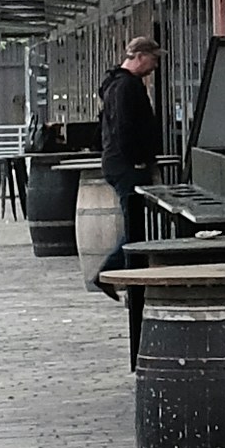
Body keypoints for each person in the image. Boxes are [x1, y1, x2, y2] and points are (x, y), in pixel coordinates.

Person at [95, 28, 162, 268]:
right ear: (140, 56)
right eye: (153, 59)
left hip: (117, 162)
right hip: (127, 165)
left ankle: (123, 274)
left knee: (135, 223)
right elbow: (124, 127)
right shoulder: (127, 86)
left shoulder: (114, 84)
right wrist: (138, 159)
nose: (155, 66)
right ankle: (111, 273)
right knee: (135, 226)